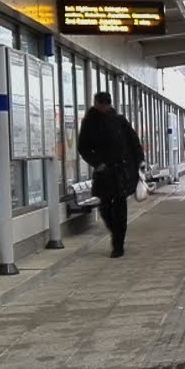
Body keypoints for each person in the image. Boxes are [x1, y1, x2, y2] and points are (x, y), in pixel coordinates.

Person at [77, 91, 146, 257]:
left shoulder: (119, 121)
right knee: (105, 207)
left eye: (106, 104)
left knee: (120, 207)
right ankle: (115, 232)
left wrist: (140, 161)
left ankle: (118, 244)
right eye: (101, 104)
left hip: (121, 171)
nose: (103, 107)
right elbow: (83, 147)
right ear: (96, 103)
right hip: (103, 172)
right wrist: (97, 163)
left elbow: (133, 141)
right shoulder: (89, 123)